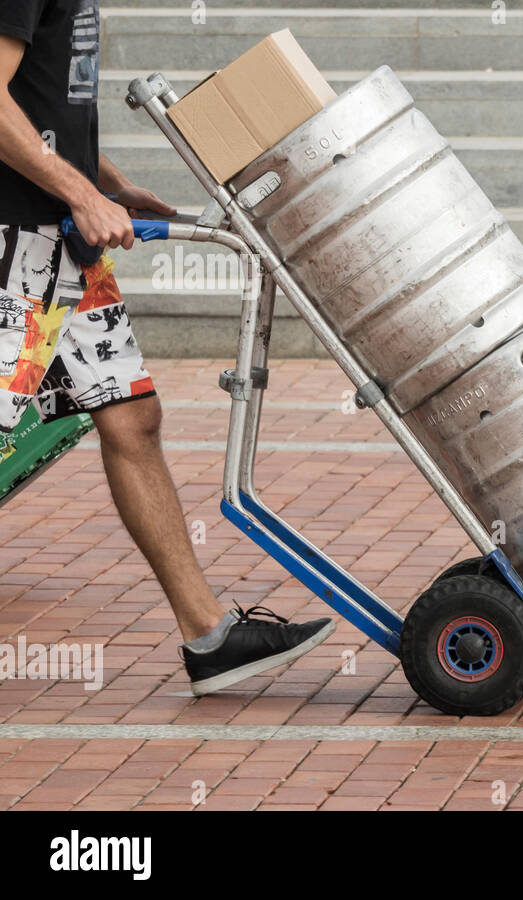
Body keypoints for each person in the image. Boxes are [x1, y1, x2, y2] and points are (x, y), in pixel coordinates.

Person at [0, 0, 334, 695]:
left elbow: (44, 103)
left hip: (64, 241)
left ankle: (209, 637)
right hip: (14, 242)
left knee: (133, 419)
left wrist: (107, 184)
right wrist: (81, 194)